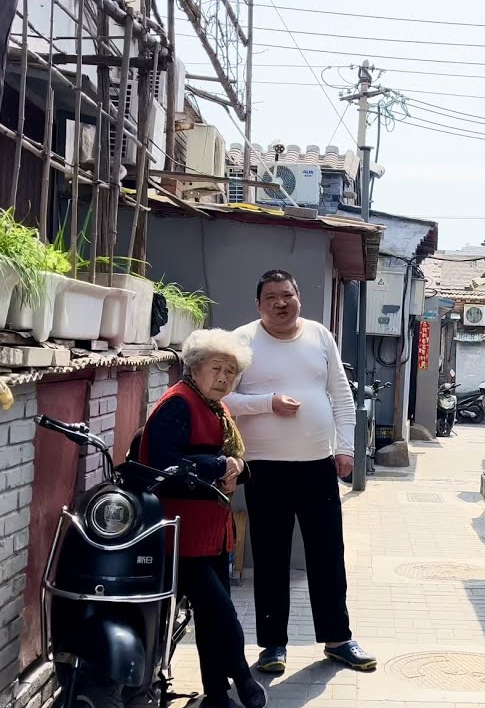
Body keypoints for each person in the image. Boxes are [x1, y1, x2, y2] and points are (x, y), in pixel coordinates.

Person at [226, 269, 376, 674]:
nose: (281, 303)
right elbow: (223, 398)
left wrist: (346, 449)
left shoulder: (319, 335)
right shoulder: (242, 340)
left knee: (328, 554)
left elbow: (341, 395)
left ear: (298, 299)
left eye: (287, 295)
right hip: (264, 468)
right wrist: (267, 403)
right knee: (271, 558)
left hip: (317, 466)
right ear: (258, 305)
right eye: (271, 297)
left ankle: (338, 639)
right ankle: (273, 645)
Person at [138, 329, 267, 708]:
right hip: (181, 531)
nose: (224, 378)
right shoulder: (178, 404)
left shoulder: (218, 408)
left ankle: (216, 695)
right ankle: (241, 677)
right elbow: (162, 465)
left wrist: (237, 467)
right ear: (194, 368)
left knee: (212, 616)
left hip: (213, 530)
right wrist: (219, 464)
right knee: (221, 610)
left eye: (231, 371)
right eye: (216, 368)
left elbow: (237, 465)